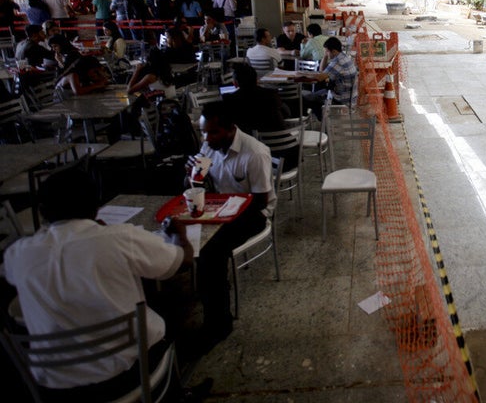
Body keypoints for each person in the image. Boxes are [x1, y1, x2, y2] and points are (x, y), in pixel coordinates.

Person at [2, 167, 193, 399]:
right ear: (96, 206)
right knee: (170, 311)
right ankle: (176, 394)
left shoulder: (17, 254)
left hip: (55, 389)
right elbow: (181, 262)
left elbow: (20, 273)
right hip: (126, 376)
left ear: (42, 211)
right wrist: (180, 236)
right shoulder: (120, 238)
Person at [191, 101, 275, 343]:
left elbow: (260, 202)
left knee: (211, 250)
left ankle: (219, 323)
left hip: (252, 212)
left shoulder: (255, 153)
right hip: (221, 207)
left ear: (230, 129)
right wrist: (194, 177)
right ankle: (205, 289)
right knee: (183, 232)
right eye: (203, 132)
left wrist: (223, 215)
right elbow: (197, 182)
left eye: (212, 132)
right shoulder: (209, 147)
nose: (206, 139)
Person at [223, 62, 289, 135]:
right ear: (256, 80)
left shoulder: (230, 100)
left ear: (235, 83)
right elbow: (286, 113)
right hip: (280, 142)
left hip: (249, 143)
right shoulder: (271, 94)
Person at [302, 36, 357, 115]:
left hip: (339, 99)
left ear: (334, 51)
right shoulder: (344, 57)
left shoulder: (337, 63)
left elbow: (320, 75)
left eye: (327, 51)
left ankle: (324, 121)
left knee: (307, 98)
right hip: (349, 98)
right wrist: (325, 55)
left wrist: (303, 74)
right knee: (317, 93)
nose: (326, 53)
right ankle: (324, 120)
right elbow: (323, 72)